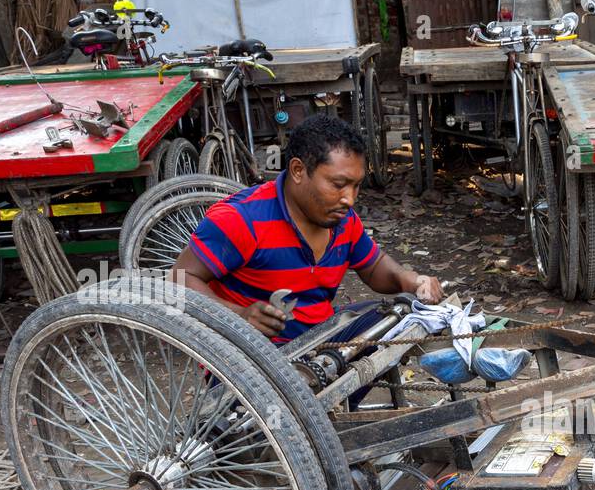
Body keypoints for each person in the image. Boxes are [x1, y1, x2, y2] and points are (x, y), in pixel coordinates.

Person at [169, 114, 443, 344]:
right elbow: (179, 281)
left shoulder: (342, 219)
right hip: (251, 363)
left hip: (318, 342)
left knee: (398, 317)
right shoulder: (241, 220)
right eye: (338, 184)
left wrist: (410, 279)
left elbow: (373, 266)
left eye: (356, 186)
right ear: (299, 171)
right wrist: (238, 316)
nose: (350, 198)